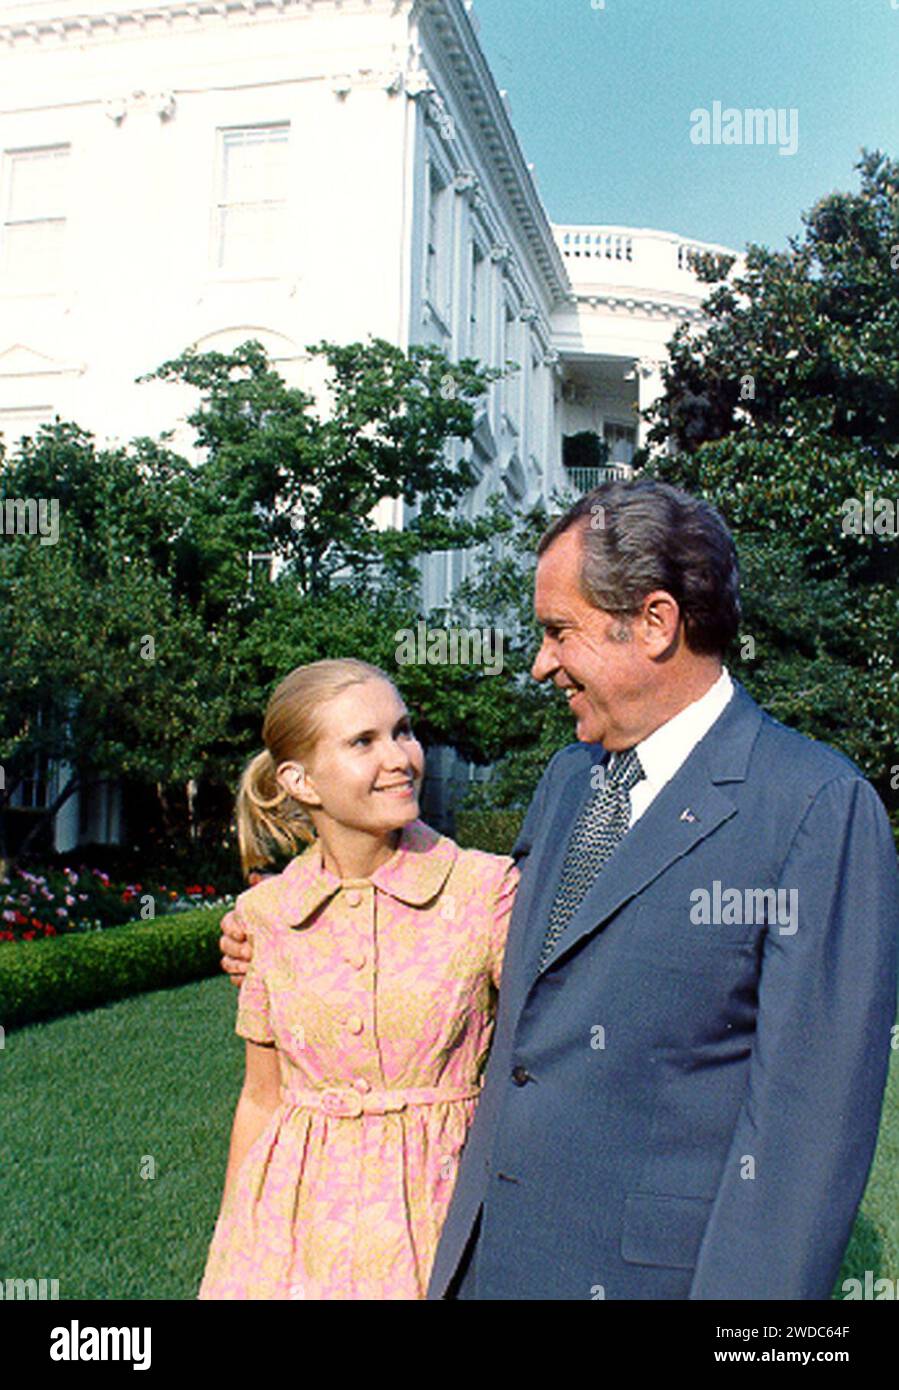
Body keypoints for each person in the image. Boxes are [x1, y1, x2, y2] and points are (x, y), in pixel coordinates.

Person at [221, 480, 899, 1300]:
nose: (540, 662)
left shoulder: (811, 805)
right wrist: (299, 941)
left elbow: (805, 1140)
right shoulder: (570, 778)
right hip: (485, 1263)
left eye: (557, 631)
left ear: (653, 622)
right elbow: (502, 970)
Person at [200, 658, 517, 1300]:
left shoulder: (485, 890)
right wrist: (236, 1247)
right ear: (301, 780)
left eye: (403, 732)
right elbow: (261, 1098)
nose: (399, 757)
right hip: (292, 1228)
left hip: (440, 1208)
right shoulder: (267, 916)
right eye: (363, 742)